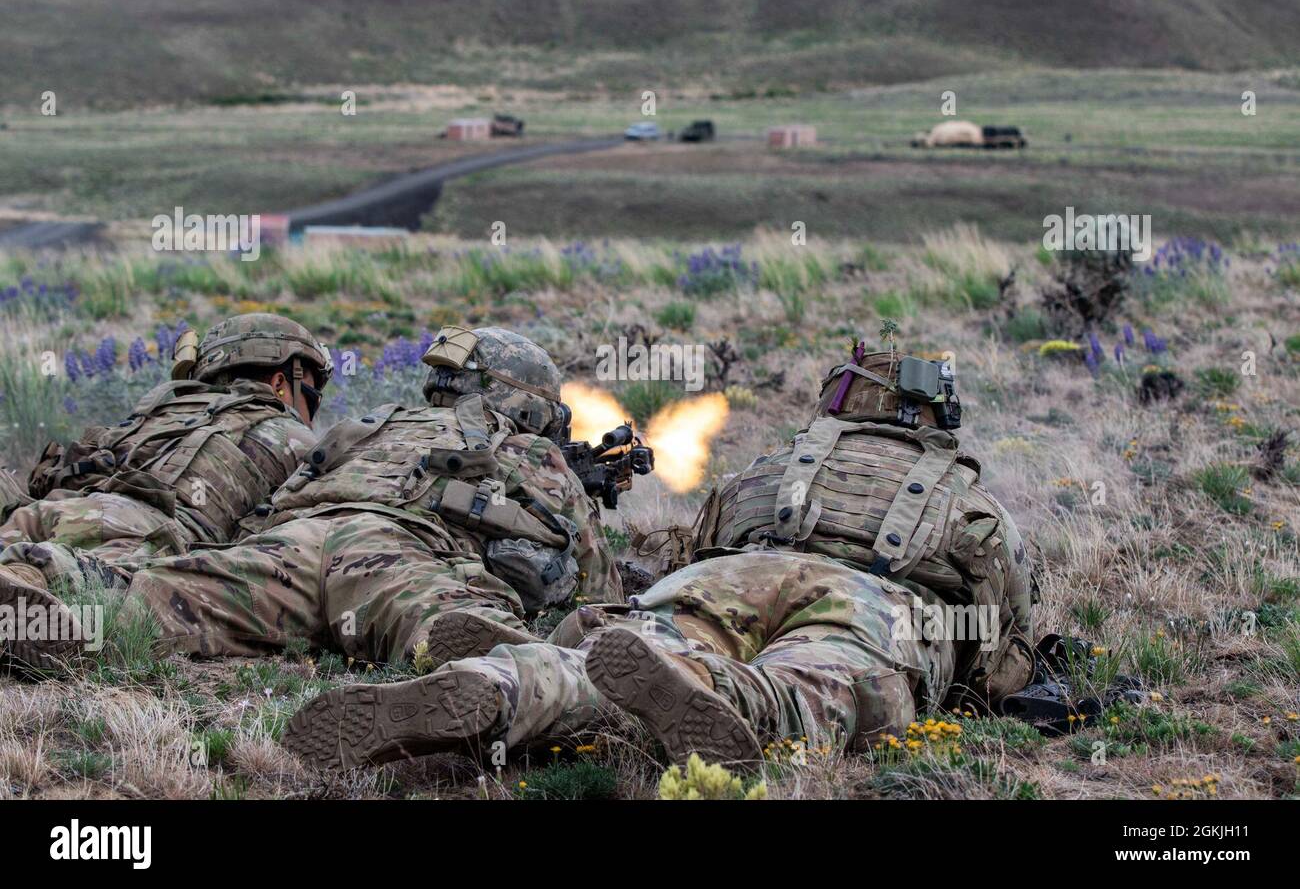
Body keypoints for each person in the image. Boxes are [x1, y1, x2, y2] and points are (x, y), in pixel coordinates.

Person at [282, 347, 1036, 770]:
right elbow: (998, 650)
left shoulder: (770, 470)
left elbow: (704, 542)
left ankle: (509, 680)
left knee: (635, 652)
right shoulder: (969, 499)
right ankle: (731, 697)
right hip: (870, 603)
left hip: (720, 578)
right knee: (812, 691)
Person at [37, 326, 621, 678]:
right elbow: (596, 580)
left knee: (163, 594)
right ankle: (491, 687)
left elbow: (261, 512)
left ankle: (44, 576)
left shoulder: (371, 424)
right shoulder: (519, 445)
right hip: (395, 553)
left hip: (293, 542)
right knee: (454, 634)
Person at [0, 313, 330, 669]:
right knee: (106, 593)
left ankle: (17, 573)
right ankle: (27, 578)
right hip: (142, 528)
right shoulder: (296, 438)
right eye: (311, 393)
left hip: (57, 507)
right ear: (283, 382)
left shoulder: (164, 409)